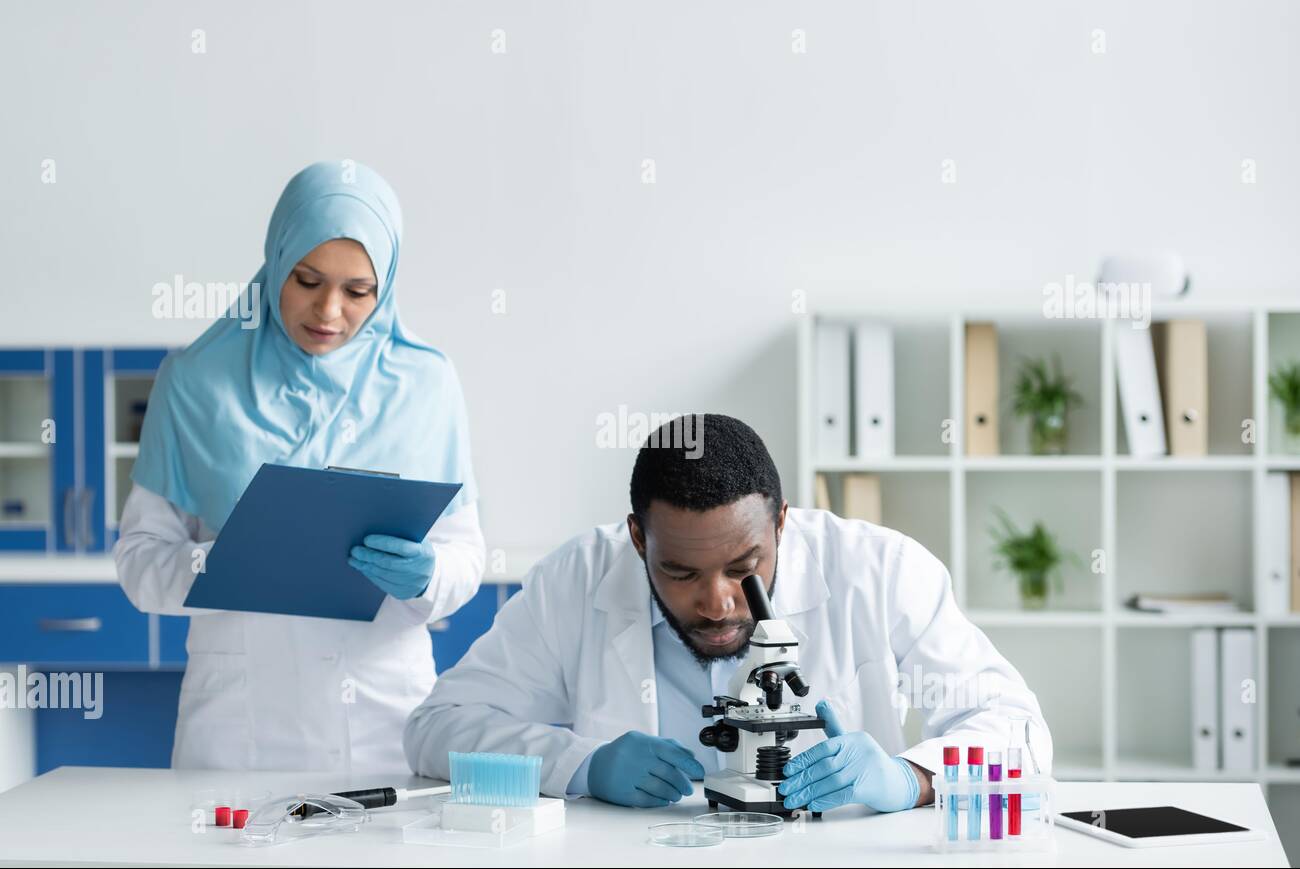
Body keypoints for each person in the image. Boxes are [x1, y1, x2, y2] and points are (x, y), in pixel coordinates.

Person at [404, 413, 1052, 813]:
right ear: (638, 539)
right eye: (680, 572)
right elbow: (436, 728)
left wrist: (910, 777)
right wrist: (581, 764)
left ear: (781, 523)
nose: (716, 602)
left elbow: (1020, 729)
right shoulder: (578, 577)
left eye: (744, 569)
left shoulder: (879, 570)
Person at [116, 161, 484, 774]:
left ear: (385, 286)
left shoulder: (427, 383)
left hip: (382, 721)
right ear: (275, 260)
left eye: (357, 291)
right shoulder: (194, 381)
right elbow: (139, 561)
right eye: (307, 279)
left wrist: (425, 576)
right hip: (239, 729)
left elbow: (466, 556)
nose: (329, 311)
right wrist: (223, 565)